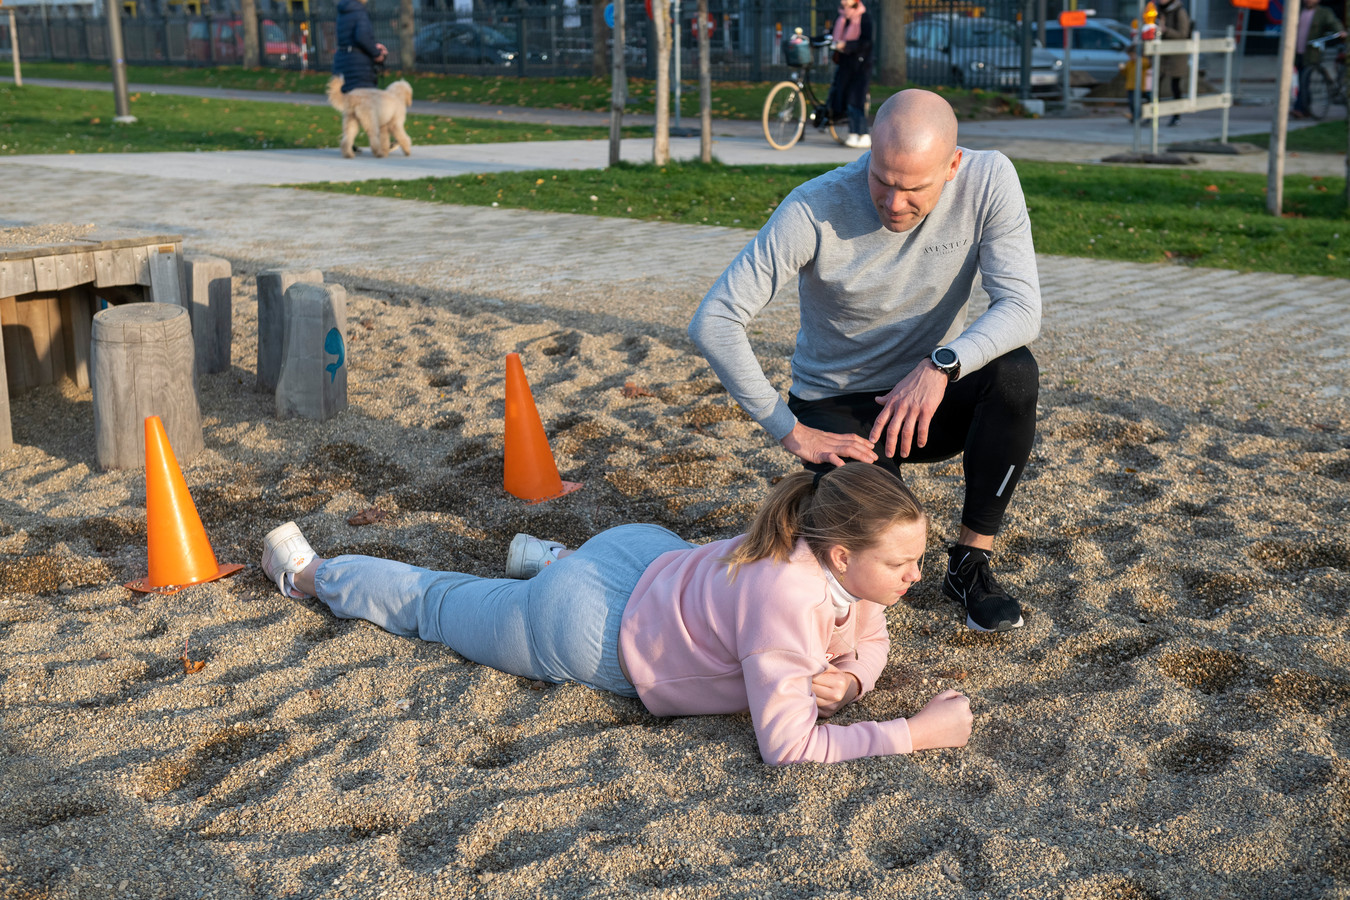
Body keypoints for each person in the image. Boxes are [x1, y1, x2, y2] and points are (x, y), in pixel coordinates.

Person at [260, 463, 973, 766]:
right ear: (843, 556)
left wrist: (852, 685)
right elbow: (787, 747)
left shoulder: (822, 544)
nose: (917, 577)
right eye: (902, 564)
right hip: (590, 626)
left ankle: (549, 556)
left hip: (649, 557)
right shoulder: (788, 598)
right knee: (437, 602)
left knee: (535, 581)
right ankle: (310, 572)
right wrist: (916, 734)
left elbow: (868, 634)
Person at [688, 89, 1040, 634]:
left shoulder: (990, 179)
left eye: (914, 188)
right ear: (869, 152)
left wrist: (940, 365)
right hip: (838, 408)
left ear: (953, 166)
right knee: (876, 559)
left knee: (1015, 372)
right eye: (882, 179)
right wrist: (790, 430)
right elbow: (714, 320)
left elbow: (1020, 307)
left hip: (929, 393)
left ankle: (971, 562)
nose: (894, 203)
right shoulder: (813, 205)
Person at [826, 0, 874, 149]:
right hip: (845, 64)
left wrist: (846, 45)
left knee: (855, 100)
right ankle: (853, 134)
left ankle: (863, 134)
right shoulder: (841, 17)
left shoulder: (864, 17)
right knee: (845, 98)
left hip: (861, 66)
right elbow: (831, 34)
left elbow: (866, 42)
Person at [1292, 0, 1346, 119]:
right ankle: (1305, 109)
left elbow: (1333, 22)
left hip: (1311, 53)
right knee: (1302, 81)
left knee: (1303, 81)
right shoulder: (1297, 11)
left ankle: (1299, 108)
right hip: (1297, 52)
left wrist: (1340, 31)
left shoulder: (1323, 13)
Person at [333, 0, 388, 95]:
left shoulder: (343, 11)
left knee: (349, 104)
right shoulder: (359, 12)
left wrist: (372, 46)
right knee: (365, 103)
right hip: (358, 65)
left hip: (343, 60)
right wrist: (377, 53)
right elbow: (362, 37)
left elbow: (348, 38)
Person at [1156, 0, 1191, 126]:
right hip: (1161, 55)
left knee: (1175, 87)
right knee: (1154, 86)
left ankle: (1176, 116)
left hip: (1176, 56)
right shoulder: (1157, 11)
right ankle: (1153, 114)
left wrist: (1166, 30)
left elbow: (1183, 34)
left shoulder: (1179, 12)